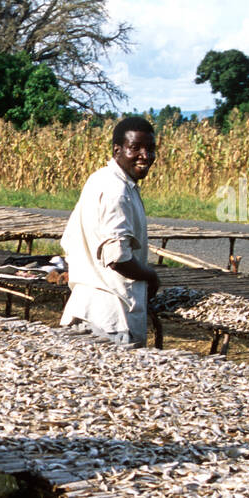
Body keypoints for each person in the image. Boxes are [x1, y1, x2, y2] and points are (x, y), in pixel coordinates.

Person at [58, 115, 160, 347]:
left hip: (83, 310)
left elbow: (69, 241)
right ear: (118, 150)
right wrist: (150, 276)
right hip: (112, 320)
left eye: (150, 149)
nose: (145, 156)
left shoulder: (100, 180)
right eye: (135, 148)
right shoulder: (117, 191)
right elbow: (118, 259)